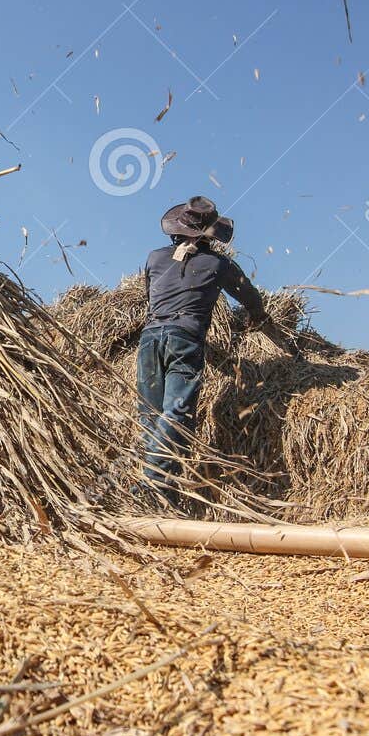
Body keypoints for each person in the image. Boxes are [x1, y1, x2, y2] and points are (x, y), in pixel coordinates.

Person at [137, 195, 296, 505]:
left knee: (150, 416)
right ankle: (150, 485)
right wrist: (258, 318)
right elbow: (249, 298)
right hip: (184, 338)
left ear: (176, 230)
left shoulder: (154, 258)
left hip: (149, 338)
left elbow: (151, 297)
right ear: (210, 234)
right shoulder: (219, 264)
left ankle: (162, 496)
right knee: (177, 413)